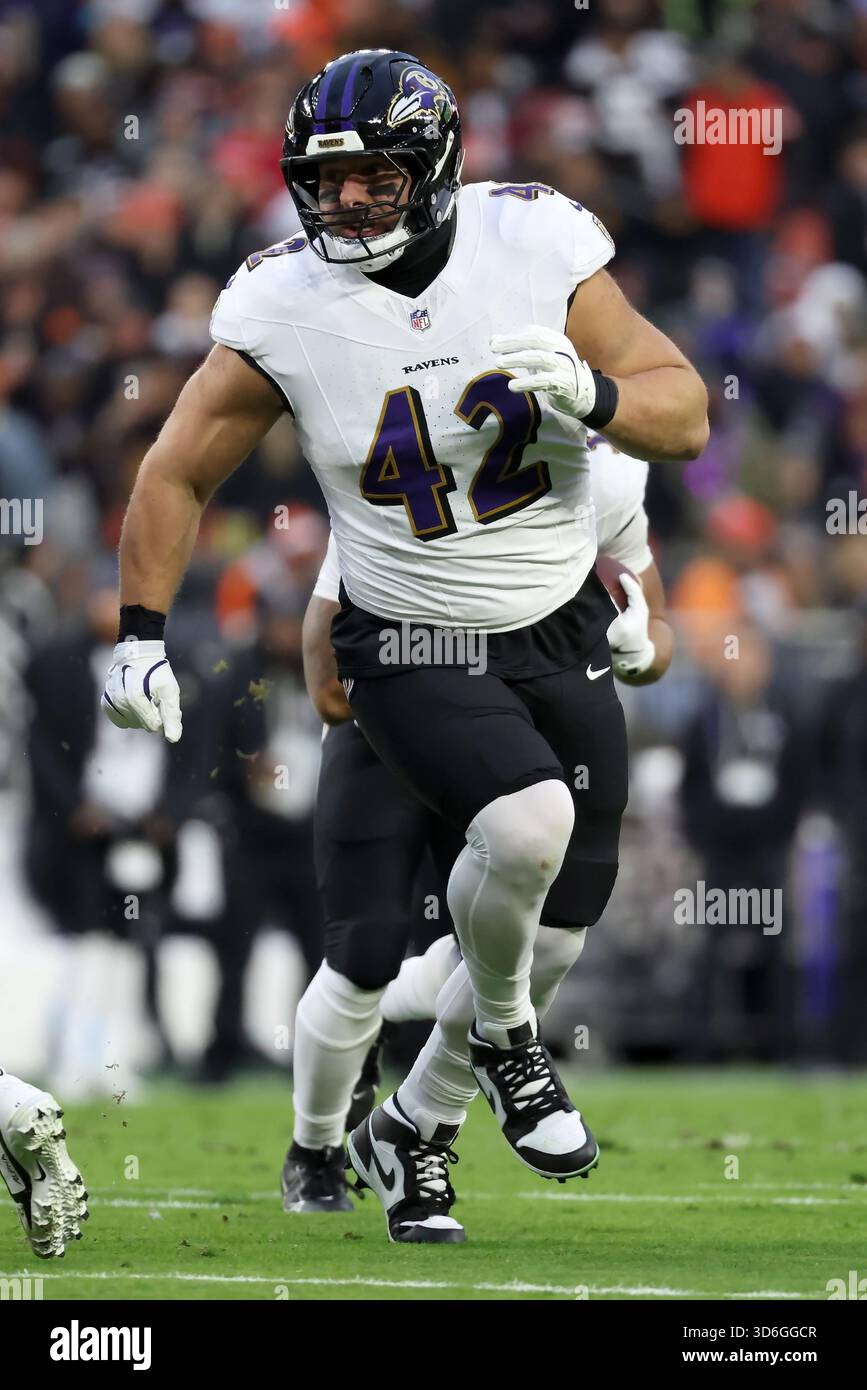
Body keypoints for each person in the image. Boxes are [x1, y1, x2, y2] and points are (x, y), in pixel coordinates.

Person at [100, 49, 708, 1243]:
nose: (347, 202)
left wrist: (592, 394)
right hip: (408, 629)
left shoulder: (532, 244)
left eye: (375, 177)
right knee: (521, 834)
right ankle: (493, 1053)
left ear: (434, 168)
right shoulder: (281, 304)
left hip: (555, 625)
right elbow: (174, 470)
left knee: (559, 926)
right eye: (326, 182)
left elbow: (682, 412)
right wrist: (137, 636)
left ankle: (417, 1121)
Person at [283, 434, 673, 1215]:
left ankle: (413, 1124)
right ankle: (316, 1151)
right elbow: (326, 681)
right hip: (390, 719)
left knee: (524, 941)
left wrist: (642, 647)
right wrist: (433, 693)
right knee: (363, 954)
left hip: (519, 722)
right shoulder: (415, 472)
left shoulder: (597, 477)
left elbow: (655, 622)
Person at [0, 1069, 87, 1258]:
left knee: (29, 1187)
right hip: (35, 1100)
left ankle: (42, 1237)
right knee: (44, 1177)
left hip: (15, 1117)